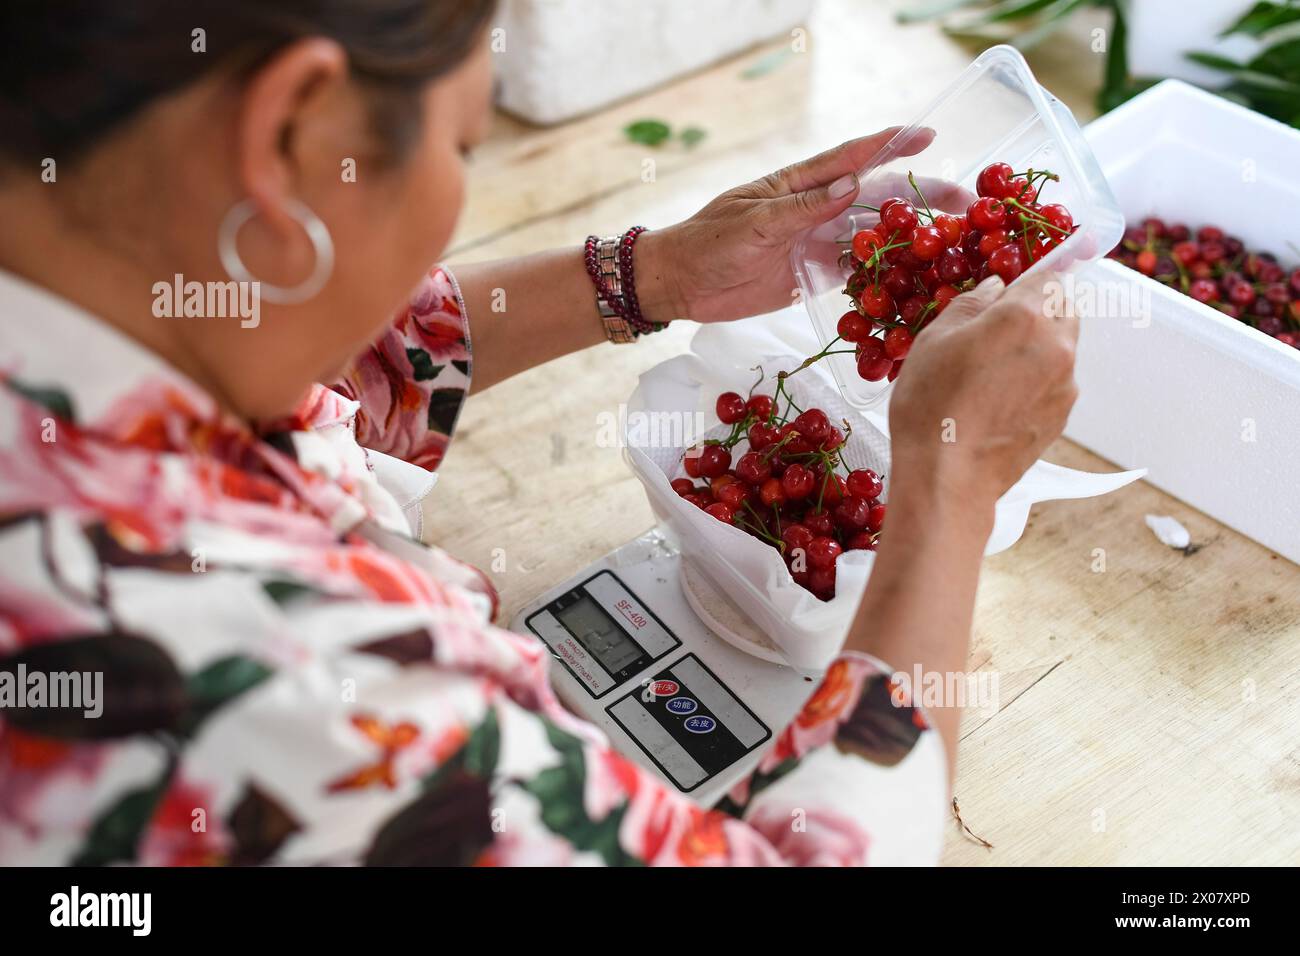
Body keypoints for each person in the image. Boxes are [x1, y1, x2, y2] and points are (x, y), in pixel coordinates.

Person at [0, 1, 1078, 866]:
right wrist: (947, 489)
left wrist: (644, 277)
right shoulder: (309, 692)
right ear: (292, 131)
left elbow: (279, 372)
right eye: (463, 142)